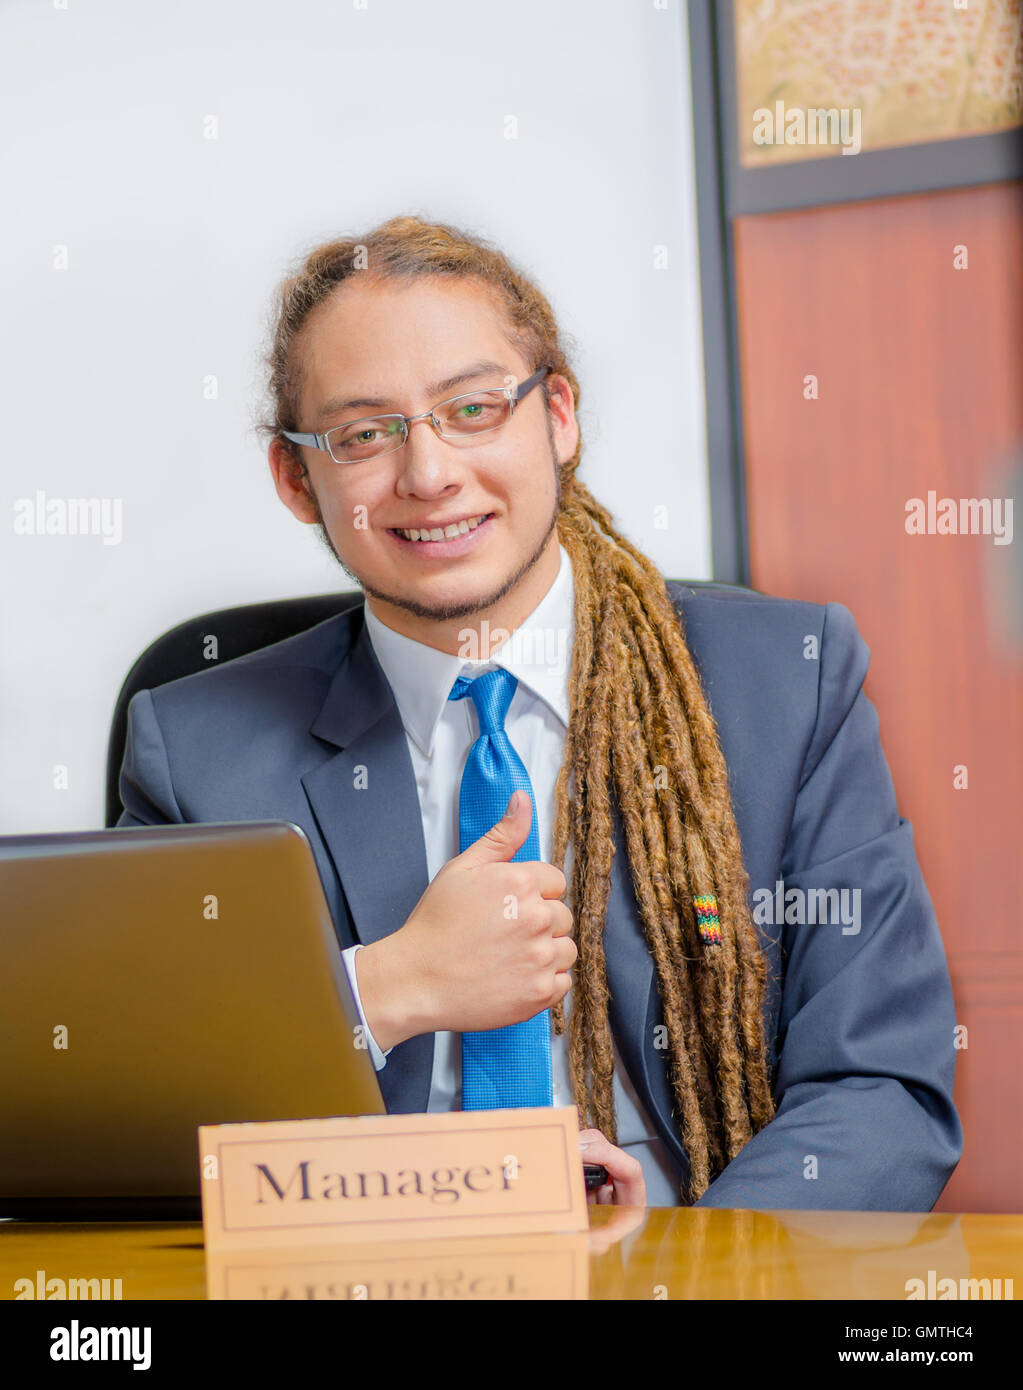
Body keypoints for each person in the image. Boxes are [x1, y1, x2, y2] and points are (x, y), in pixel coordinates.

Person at [117, 214, 962, 1209]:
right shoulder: (195, 752)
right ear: (298, 479)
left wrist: (681, 1280)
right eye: (363, 434)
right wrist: (387, 990)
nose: (428, 472)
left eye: (472, 408)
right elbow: (133, 1123)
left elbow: (882, 1088)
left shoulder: (785, 685)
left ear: (558, 415)